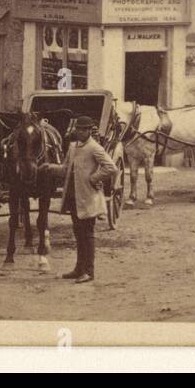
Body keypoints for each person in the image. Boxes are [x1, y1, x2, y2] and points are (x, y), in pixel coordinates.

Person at [60, 116, 118, 284]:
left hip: (88, 198)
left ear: (89, 131)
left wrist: (94, 178)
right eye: (77, 129)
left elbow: (111, 167)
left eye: (83, 130)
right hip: (74, 197)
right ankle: (79, 268)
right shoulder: (73, 147)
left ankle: (89, 272)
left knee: (88, 234)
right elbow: (65, 169)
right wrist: (49, 168)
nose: (79, 132)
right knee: (78, 233)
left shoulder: (94, 147)